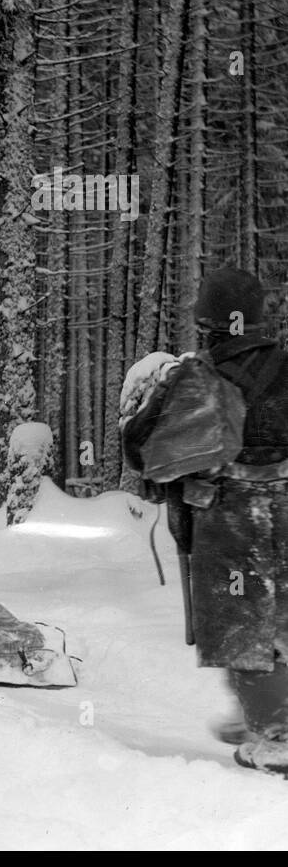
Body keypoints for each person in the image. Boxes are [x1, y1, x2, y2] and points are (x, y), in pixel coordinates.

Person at [123, 268, 288, 777]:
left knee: (244, 624)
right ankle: (260, 712)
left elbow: (141, 451)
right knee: (280, 618)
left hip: (229, 515)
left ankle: (276, 734)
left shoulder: (195, 376)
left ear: (209, 321)